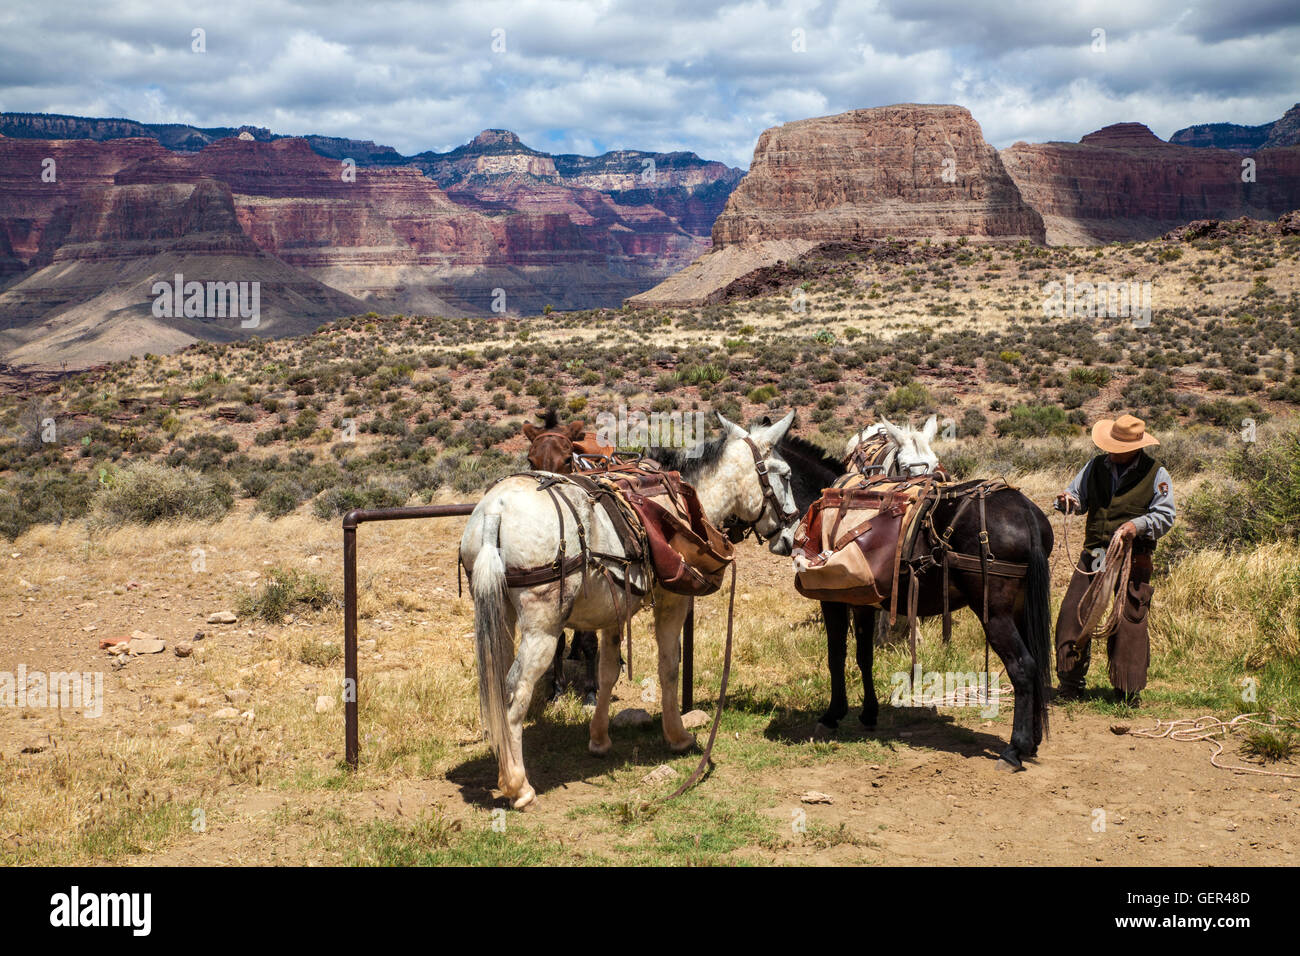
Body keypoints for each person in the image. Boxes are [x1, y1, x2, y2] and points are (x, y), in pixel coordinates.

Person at [1053, 414, 1176, 705]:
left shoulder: (1156, 474)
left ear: (1136, 447)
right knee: (1073, 613)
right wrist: (1067, 501)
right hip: (1095, 553)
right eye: (1111, 446)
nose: (1113, 452)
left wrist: (1137, 526)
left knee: (1129, 620)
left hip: (1133, 557)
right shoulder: (1095, 466)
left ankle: (1127, 690)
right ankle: (1070, 683)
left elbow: (1165, 516)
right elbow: (1077, 495)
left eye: (1119, 448)